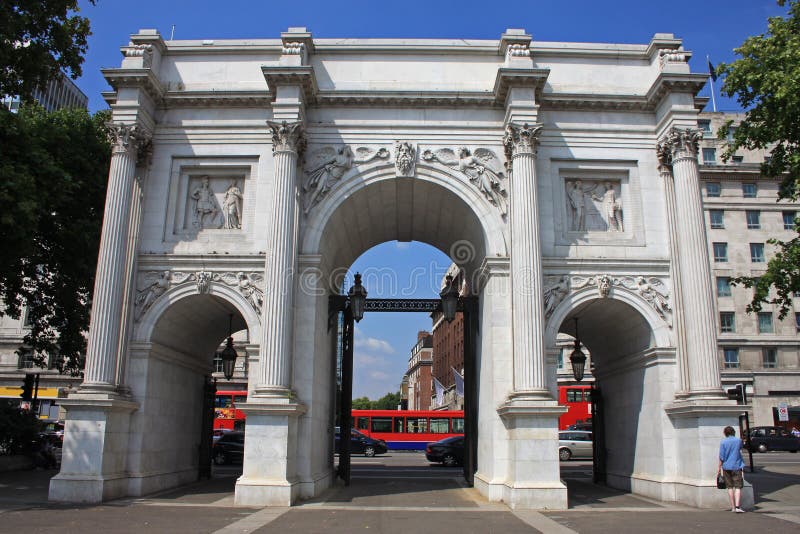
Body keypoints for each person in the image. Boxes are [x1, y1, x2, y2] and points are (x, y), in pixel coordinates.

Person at [718, 425, 746, 512]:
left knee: (729, 487)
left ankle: (733, 507)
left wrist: (719, 467)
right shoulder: (738, 441)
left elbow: (721, 456)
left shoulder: (723, 442)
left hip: (726, 466)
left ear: (725, 433)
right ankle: (738, 506)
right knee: (738, 487)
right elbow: (741, 448)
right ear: (733, 432)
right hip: (736, 465)